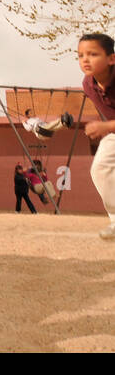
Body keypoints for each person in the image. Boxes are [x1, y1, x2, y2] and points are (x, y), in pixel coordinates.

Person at [76, 33, 115, 240]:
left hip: (111, 127)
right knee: (100, 168)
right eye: (81, 55)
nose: (85, 59)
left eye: (93, 54)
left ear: (111, 58)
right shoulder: (88, 85)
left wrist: (105, 126)